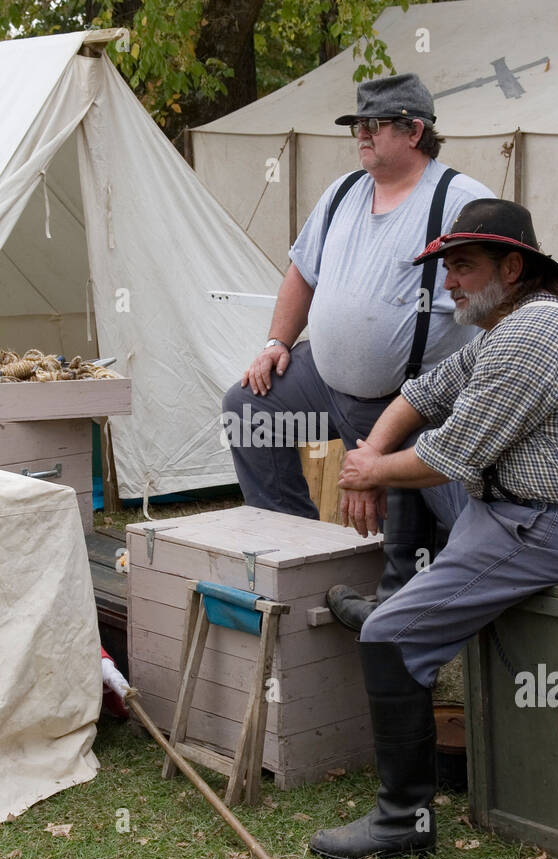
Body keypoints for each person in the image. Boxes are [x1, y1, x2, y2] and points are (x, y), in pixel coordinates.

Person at [309, 198, 558, 859]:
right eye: (447, 268)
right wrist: (370, 455)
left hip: (547, 526)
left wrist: (370, 473)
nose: (448, 283)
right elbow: (422, 395)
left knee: (388, 638)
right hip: (507, 506)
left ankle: (404, 822)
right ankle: (399, 595)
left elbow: (447, 456)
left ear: (512, 267)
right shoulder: (508, 326)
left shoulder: (535, 333)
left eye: (462, 266)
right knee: (406, 460)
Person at [222, 73, 496, 613]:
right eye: (357, 125)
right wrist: (278, 341)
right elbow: (302, 272)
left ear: (414, 131)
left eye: (374, 125)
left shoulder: (460, 200)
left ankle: (438, 612)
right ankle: (298, 555)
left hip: (417, 400)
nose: (361, 135)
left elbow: (507, 289)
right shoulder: (343, 192)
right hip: (326, 384)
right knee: (249, 406)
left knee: (470, 520)